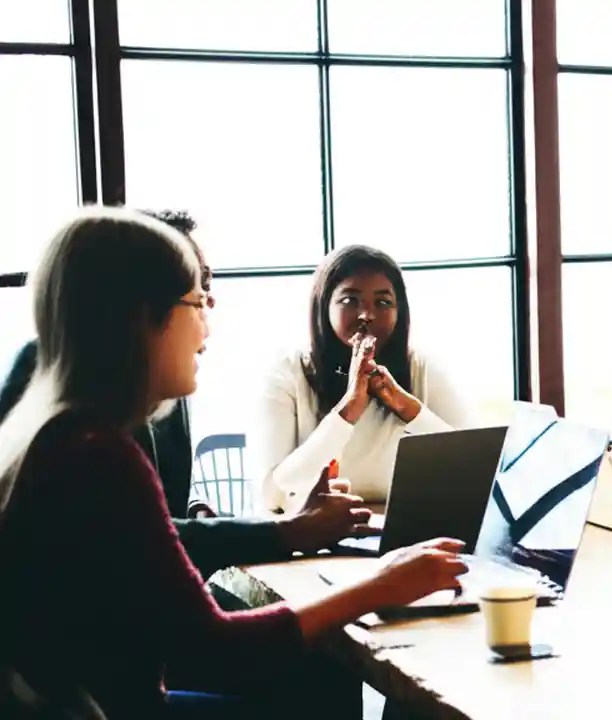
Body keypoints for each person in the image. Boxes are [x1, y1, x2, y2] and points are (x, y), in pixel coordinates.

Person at [0, 207, 468, 718]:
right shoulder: (99, 456)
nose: (208, 322)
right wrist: (381, 585)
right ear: (140, 317)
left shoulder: (47, 434)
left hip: (91, 699)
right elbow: (214, 651)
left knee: (319, 672)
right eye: (198, 300)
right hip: (122, 708)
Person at [0, 210, 363, 577]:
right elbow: (132, 541)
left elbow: (142, 519)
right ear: (141, 305)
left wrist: (193, 510)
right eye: (196, 289)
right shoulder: (78, 420)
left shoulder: (157, 379)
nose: (208, 303)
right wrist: (291, 533)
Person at [252, 245, 452, 516]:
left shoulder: (421, 368)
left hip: (400, 533)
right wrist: (347, 411)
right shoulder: (288, 371)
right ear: (324, 305)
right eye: (350, 300)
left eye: (383, 303)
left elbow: (473, 470)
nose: (366, 315)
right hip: (311, 541)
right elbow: (272, 495)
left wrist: (409, 409)